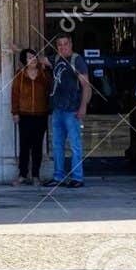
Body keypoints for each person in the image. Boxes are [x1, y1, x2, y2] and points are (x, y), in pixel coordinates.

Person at [46, 35, 91, 188]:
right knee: (57, 145)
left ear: (71, 44)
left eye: (65, 44)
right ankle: (58, 177)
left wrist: (83, 107)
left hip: (72, 110)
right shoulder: (56, 59)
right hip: (57, 110)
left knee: (74, 145)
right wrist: (18, 50)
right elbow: (38, 60)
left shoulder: (77, 60)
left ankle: (77, 178)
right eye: (59, 44)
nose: (62, 47)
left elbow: (86, 85)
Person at [10, 48, 49, 185]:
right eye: (29, 57)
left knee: (38, 146)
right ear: (24, 61)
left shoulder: (43, 74)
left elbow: (49, 91)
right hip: (25, 115)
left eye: (34, 56)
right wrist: (15, 112)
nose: (32, 59)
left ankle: (36, 175)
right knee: (24, 146)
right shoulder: (19, 75)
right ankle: (22, 174)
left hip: (40, 115)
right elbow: (15, 95)